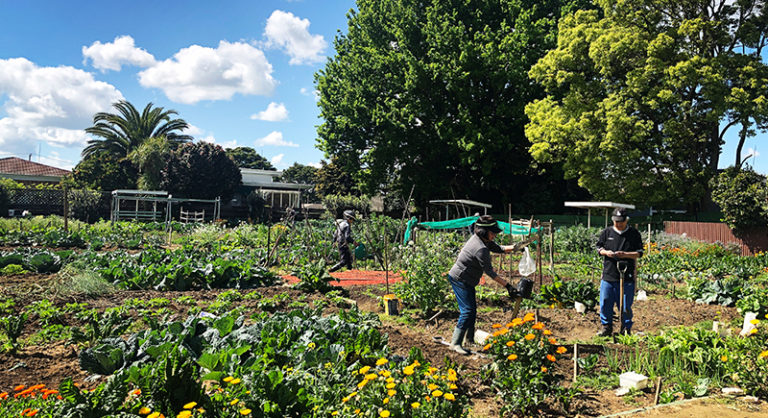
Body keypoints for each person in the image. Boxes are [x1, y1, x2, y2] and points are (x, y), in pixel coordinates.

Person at [447, 215, 526, 355]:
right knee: (467, 311)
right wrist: (508, 286)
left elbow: (498, 248)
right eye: (493, 232)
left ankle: (469, 339)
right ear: (484, 232)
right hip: (460, 279)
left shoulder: (483, 240)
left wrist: (515, 248)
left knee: (472, 310)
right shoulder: (480, 248)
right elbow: (490, 272)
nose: (495, 235)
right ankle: (455, 343)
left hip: (468, 280)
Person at [596, 208, 644, 336]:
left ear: (626, 220)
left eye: (621, 222)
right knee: (605, 301)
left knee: (625, 305)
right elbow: (599, 248)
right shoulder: (607, 232)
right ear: (613, 220)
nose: (619, 224)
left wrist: (625, 255)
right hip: (609, 273)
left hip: (626, 275)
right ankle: (606, 327)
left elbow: (639, 253)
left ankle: (626, 328)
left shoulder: (633, 234)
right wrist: (606, 252)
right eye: (616, 221)